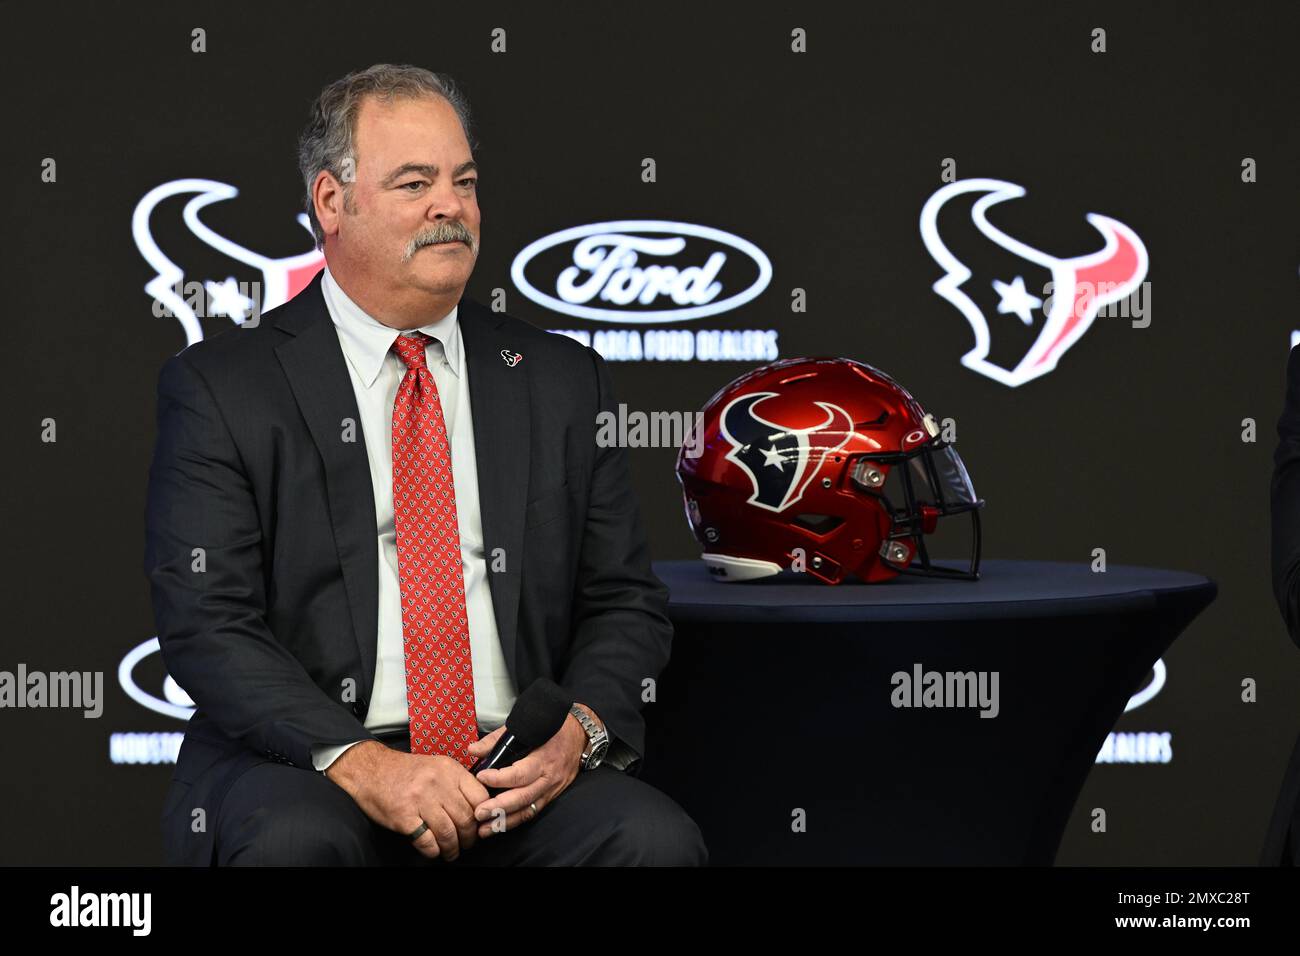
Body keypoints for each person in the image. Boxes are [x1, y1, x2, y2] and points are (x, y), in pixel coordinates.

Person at [143, 63, 707, 866]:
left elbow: (624, 601)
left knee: (651, 841)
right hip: (313, 768)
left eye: (464, 182)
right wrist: (367, 764)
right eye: (415, 183)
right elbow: (207, 622)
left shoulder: (558, 379)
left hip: (511, 775)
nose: (452, 207)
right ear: (331, 203)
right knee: (291, 845)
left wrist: (576, 736)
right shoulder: (223, 388)